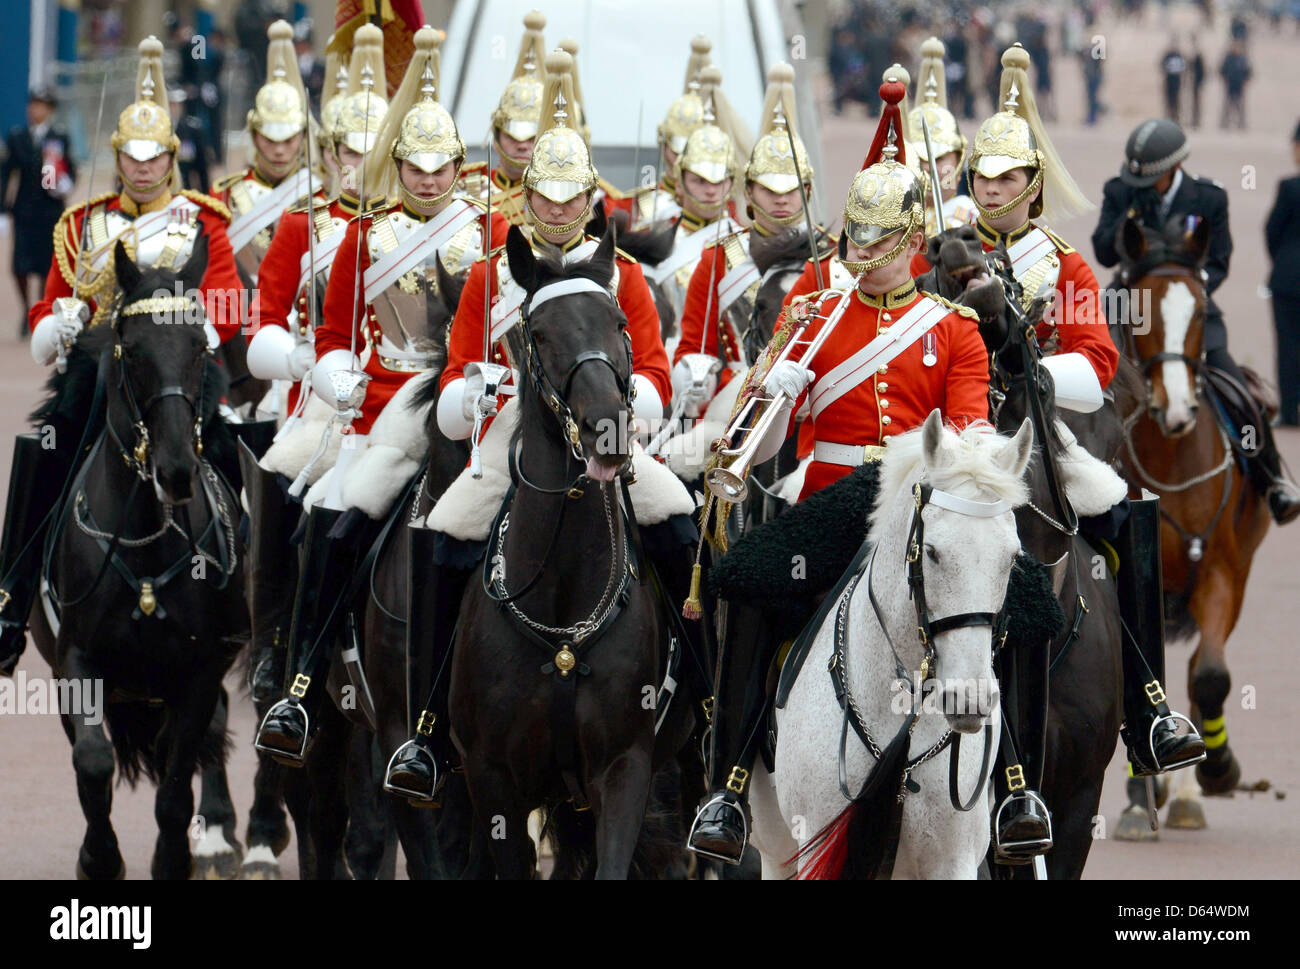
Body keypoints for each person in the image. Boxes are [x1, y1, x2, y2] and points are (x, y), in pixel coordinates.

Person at [686, 80, 992, 863]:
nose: (862, 250)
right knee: (747, 584)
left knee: (1021, 607)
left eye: (879, 237)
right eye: (856, 235)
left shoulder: (953, 329)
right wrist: (777, 394)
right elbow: (757, 451)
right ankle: (727, 785)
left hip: (915, 501)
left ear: (911, 237)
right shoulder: (812, 312)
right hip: (827, 493)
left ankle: (1016, 777)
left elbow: (966, 436)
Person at [381, 49, 682, 803]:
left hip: (610, 432)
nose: (555, 211)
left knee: (680, 517)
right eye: (543, 199)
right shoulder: (492, 271)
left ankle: (696, 694)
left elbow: (655, 374)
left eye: (569, 197)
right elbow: (454, 376)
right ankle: (425, 723)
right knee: (440, 528)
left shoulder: (625, 274)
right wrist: (475, 393)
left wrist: (625, 402)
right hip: (515, 438)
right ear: (525, 196)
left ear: (590, 196)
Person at [254, 27, 511, 765]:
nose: (429, 181)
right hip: (383, 417)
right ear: (395, 163)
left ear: (460, 168)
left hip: (475, 413)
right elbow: (335, 331)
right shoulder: (362, 238)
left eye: (441, 170)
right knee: (333, 518)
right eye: (415, 169)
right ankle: (301, 680)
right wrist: (332, 373)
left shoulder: (491, 230)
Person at [0, 37, 246, 677]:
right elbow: (47, 306)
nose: (144, 168)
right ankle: (10, 597)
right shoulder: (84, 223)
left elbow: (225, 296)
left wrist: (199, 327)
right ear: (118, 158)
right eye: (132, 158)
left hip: (180, 367)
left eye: (155, 156)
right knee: (45, 451)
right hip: (100, 370)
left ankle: (241, 597)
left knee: (226, 451)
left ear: (171, 157)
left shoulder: (203, 222)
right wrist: (61, 320)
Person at [239, 24, 389, 704]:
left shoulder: (420, 226)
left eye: (372, 151)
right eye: (348, 150)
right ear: (328, 153)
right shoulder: (302, 226)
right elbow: (266, 321)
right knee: (274, 476)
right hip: (321, 396)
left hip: (402, 391)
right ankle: (275, 641)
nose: (359, 163)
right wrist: (306, 359)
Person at [1093, 117, 1300, 522]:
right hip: (1129, 305)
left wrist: (1188, 291)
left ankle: (1272, 478)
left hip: (1186, 306)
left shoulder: (1207, 198)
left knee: (1237, 388)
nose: (1137, 187)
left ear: (1172, 168)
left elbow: (1220, 260)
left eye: (1147, 180)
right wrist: (1127, 217)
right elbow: (1103, 253)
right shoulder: (1120, 192)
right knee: (1093, 383)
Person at [210, 19, 319, 288]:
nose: (279, 150)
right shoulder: (224, 196)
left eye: (289, 140)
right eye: (270, 140)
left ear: (303, 137)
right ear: (255, 135)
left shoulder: (321, 194)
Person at [606, 35, 712, 229]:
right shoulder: (637, 205)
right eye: (678, 152)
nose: (682, 162)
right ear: (663, 145)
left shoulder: (727, 208)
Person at [2, 87, 74, 337]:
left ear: (50, 110)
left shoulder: (58, 136)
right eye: (32, 105)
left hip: (49, 211)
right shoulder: (18, 137)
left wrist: (62, 184)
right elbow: (6, 173)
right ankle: (26, 307)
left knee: (46, 265)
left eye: (41, 106)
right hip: (23, 212)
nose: (35, 110)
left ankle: (40, 311)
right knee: (19, 266)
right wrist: (2, 209)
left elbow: (69, 170)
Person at [910, 37, 978, 234]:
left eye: (939, 159)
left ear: (959, 161)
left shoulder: (974, 221)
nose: (927, 167)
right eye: (917, 158)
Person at [1266, 120, 1300, 427]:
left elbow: (1272, 231)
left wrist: (1284, 261)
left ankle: (1290, 411)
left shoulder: (1290, 187)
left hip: (1289, 280)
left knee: (1288, 346)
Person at [169, 88, 216, 193]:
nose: (173, 108)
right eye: (170, 104)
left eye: (176, 104)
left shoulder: (192, 131)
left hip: (185, 189)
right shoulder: (158, 130)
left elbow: (201, 166)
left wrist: (205, 194)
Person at [1219, 41, 1251, 130]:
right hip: (1230, 85)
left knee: (1239, 106)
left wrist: (1245, 80)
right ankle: (1225, 123)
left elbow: (1248, 72)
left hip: (1239, 85)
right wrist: (1225, 79)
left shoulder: (1242, 60)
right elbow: (1222, 70)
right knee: (1227, 105)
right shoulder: (1228, 59)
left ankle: (1241, 123)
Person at [1161, 36, 1185, 123]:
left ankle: (1175, 118)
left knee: (1176, 102)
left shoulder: (1179, 55)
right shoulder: (1167, 55)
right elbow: (1162, 66)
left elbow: (1183, 67)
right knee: (1168, 101)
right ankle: (1168, 118)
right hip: (1168, 81)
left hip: (1176, 82)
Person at [1188, 35, 1206, 129]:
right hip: (1190, 82)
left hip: (1196, 82)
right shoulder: (1191, 55)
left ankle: (1196, 120)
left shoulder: (1198, 56)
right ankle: (1192, 119)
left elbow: (1203, 71)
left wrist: (1200, 82)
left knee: (1197, 102)